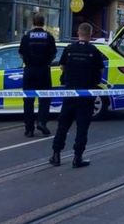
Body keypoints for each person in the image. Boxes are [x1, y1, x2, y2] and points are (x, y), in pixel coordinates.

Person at [49, 23, 104, 168]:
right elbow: (99, 73)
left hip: (70, 93)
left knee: (63, 125)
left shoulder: (69, 49)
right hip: (86, 94)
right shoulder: (94, 50)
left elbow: (62, 67)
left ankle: (56, 155)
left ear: (78, 32)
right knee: (82, 127)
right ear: (90, 34)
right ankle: (77, 157)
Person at [19, 13, 57, 138]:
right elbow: (53, 53)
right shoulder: (49, 37)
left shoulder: (26, 36)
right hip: (44, 71)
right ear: (43, 23)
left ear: (33, 23)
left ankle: (29, 129)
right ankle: (42, 122)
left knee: (28, 101)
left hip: (29, 71)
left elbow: (21, 53)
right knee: (45, 99)